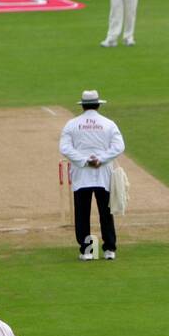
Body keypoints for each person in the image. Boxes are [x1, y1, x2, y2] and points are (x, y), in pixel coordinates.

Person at [59, 89, 126, 260]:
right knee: (106, 212)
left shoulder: (72, 124)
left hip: (81, 174)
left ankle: (88, 251)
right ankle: (109, 249)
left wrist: (85, 160)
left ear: (82, 106)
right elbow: (119, 146)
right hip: (103, 173)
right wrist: (101, 159)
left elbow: (65, 148)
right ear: (98, 105)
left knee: (82, 213)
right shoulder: (109, 123)